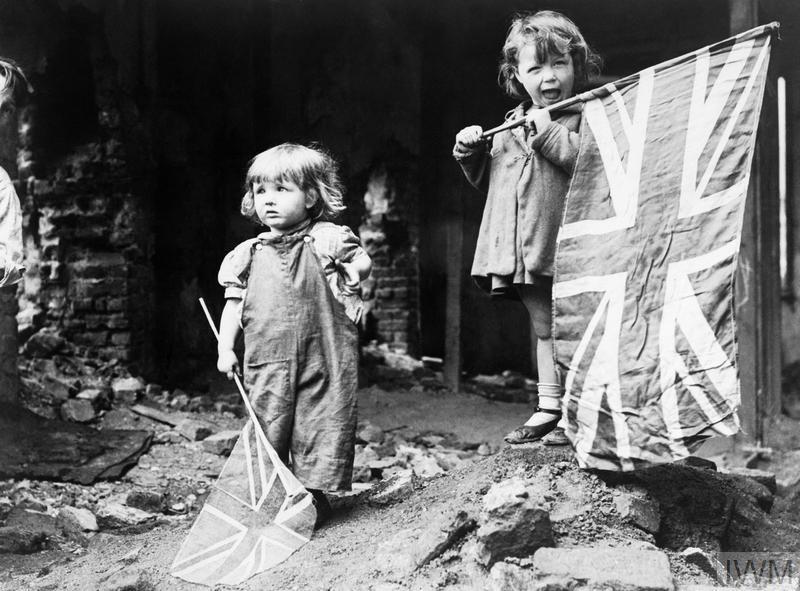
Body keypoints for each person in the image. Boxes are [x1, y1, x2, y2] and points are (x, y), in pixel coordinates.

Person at [453, 11, 600, 445]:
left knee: (576, 329)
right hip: (527, 249)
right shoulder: (508, 126)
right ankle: (550, 408)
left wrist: (549, 132)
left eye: (559, 63)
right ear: (516, 75)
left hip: (571, 247)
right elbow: (492, 180)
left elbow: (594, 168)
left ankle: (579, 414)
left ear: (576, 65)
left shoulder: (588, 117)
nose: (548, 76)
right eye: (535, 68)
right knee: (544, 329)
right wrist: (470, 151)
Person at [216, 143, 372, 526]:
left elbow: (361, 260)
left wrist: (355, 274)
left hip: (323, 354)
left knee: (319, 421)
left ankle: (312, 496)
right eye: (261, 191)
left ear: (311, 196)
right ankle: (271, 500)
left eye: (281, 190)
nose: (268, 200)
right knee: (268, 423)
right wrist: (225, 348)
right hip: (267, 359)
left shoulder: (327, 238)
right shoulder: (247, 254)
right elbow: (234, 305)